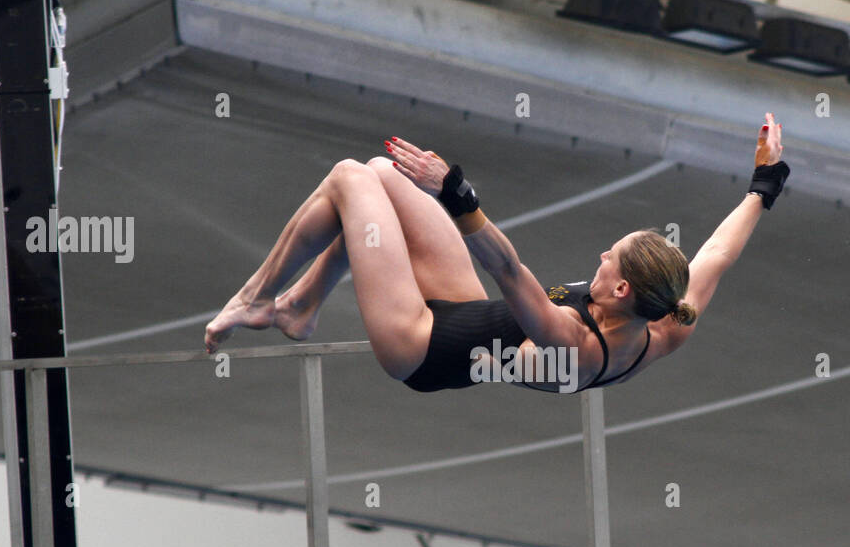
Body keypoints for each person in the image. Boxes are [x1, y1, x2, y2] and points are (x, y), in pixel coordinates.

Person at [204, 113, 789, 394]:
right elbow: (715, 254)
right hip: (463, 313)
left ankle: (256, 299)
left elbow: (508, 268)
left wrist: (459, 193)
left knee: (349, 178)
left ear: (619, 291)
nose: (604, 250)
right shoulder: (668, 322)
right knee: (383, 173)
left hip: (421, 347)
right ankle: (300, 307)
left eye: (614, 256)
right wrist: (763, 185)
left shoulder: (574, 344)